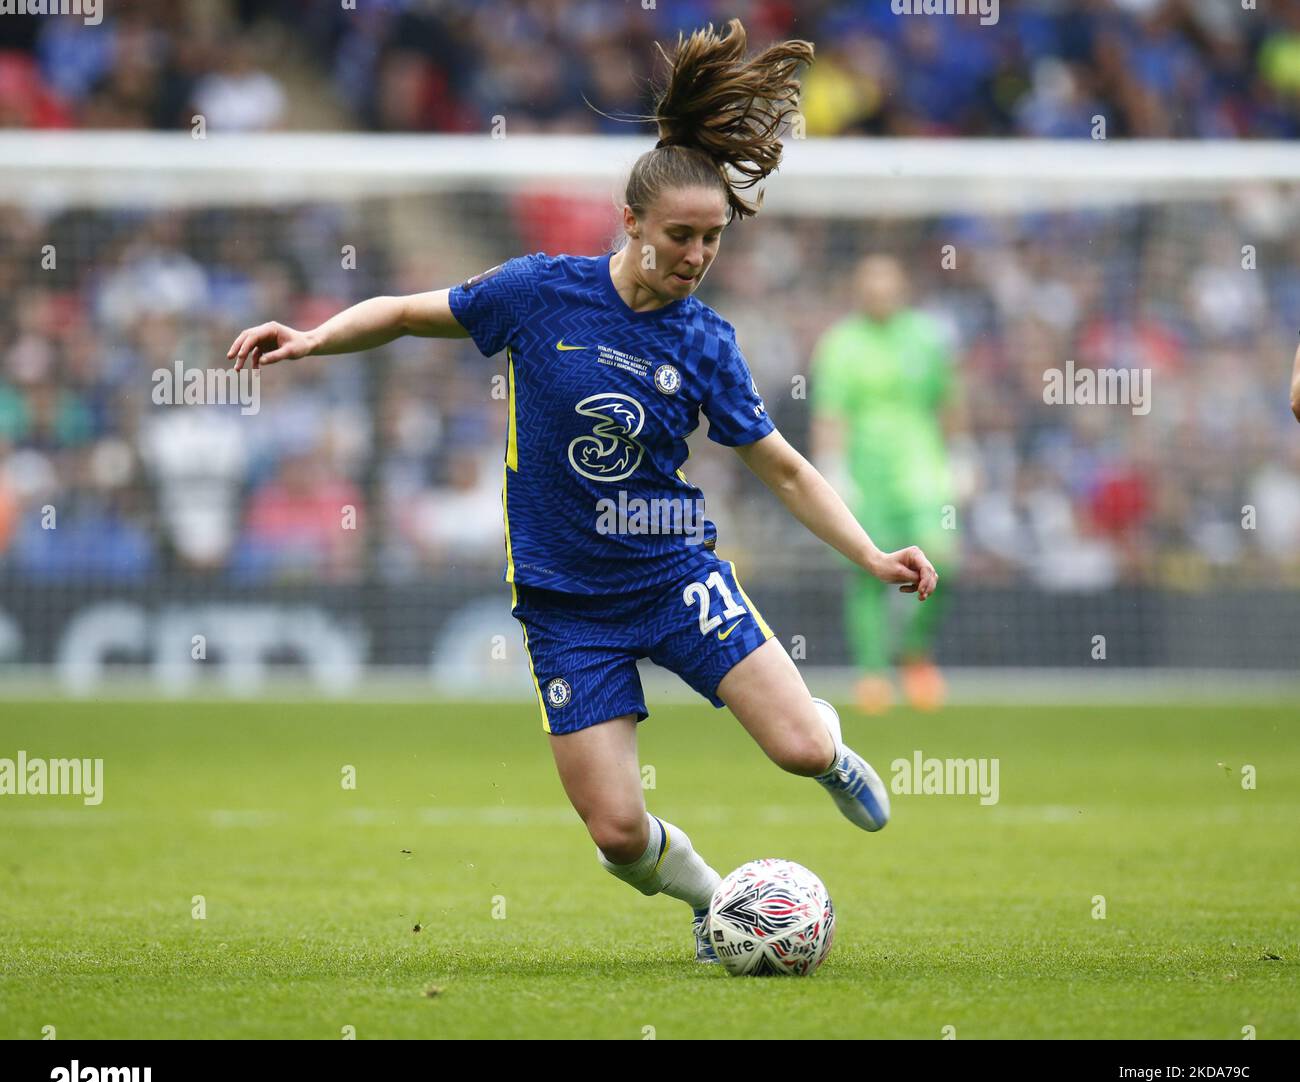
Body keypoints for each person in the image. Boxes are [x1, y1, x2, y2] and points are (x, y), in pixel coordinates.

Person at [226, 19, 937, 965]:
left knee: (801, 751)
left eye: (713, 240)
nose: (695, 257)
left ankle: (834, 748)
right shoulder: (538, 293)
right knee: (615, 837)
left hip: (673, 572)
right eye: (679, 236)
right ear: (630, 222)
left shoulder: (707, 343)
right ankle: (719, 902)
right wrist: (314, 337)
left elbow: (784, 466)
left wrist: (872, 554)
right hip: (567, 603)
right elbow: (401, 313)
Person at [811, 253, 959, 714]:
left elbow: (949, 401)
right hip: (865, 474)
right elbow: (830, 412)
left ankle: (914, 652)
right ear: (860, 290)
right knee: (867, 572)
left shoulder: (926, 337)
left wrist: (962, 455)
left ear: (901, 287)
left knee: (944, 559)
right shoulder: (841, 343)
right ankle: (873, 672)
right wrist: (832, 468)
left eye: (887, 284)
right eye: (870, 285)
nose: (879, 294)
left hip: (922, 473)